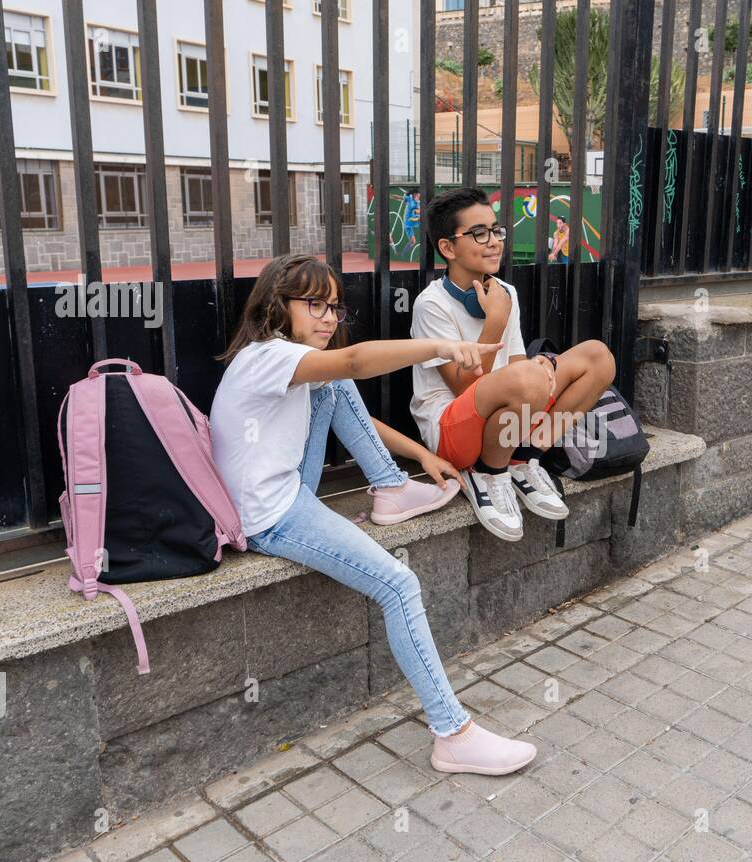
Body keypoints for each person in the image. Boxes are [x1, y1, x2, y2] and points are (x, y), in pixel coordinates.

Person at [209, 252, 537, 775]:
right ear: (277, 304)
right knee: (399, 585)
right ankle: (452, 734)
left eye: (334, 307)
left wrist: (422, 455)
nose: (325, 317)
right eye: (313, 303)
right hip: (271, 514)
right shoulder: (267, 355)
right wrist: (445, 347)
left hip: (290, 485)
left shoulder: (289, 358)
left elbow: (348, 389)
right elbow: (358, 360)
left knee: (335, 383)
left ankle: (389, 487)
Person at [409, 187, 616, 541]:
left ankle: (525, 457)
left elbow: (518, 361)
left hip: (509, 416)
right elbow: (463, 386)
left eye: (496, 230)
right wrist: (494, 321)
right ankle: (489, 473)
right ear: (447, 248)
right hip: (452, 430)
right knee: (527, 379)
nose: (494, 242)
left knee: (597, 357)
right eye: (479, 233)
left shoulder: (505, 291)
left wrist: (538, 371)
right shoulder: (432, 305)